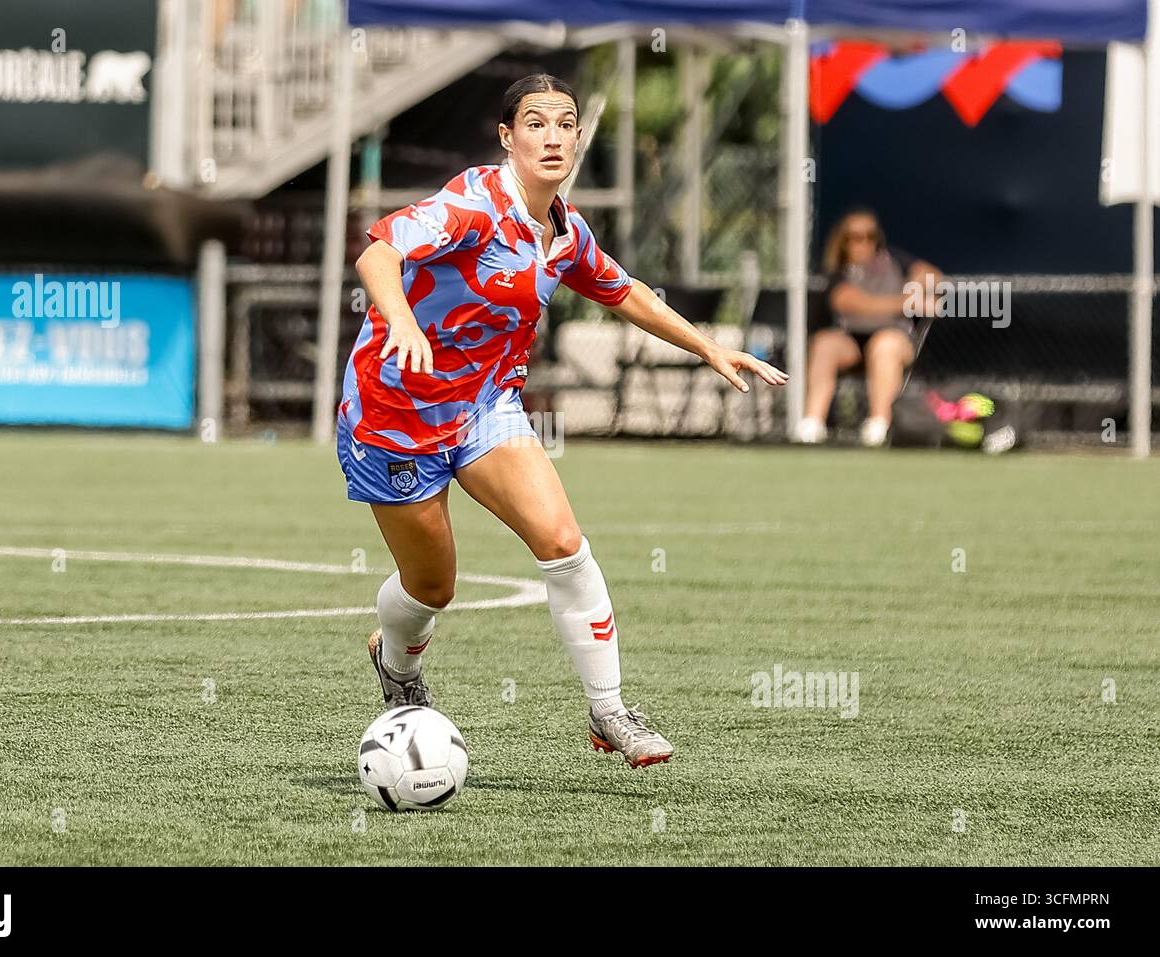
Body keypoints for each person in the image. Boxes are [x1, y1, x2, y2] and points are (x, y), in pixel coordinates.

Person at [338, 74, 787, 768]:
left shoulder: (563, 230)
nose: (552, 136)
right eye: (536, 123)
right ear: (507, 138)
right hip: (394, 413)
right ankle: (394, 660)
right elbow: (377, 252)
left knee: (564, 542)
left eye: (565, 123)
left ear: (579, 137)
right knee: (433, 586)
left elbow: (623, 288)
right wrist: (398, 315)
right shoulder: (474, 202)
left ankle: (609, 711)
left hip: (486, 409)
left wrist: (708, 346)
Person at [795, 208, 940, 447]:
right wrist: (909, 302)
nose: (864, 243)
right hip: (852, 342)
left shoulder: (894, 259)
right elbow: (853, 302)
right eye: (855, 237)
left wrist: (916, 283)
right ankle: (812, 424)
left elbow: (931, 275)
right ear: (844, 241)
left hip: (893, 340)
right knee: (825, 344)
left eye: (870, 236)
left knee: (884, 345)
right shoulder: (838, 272)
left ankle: (879, 425)